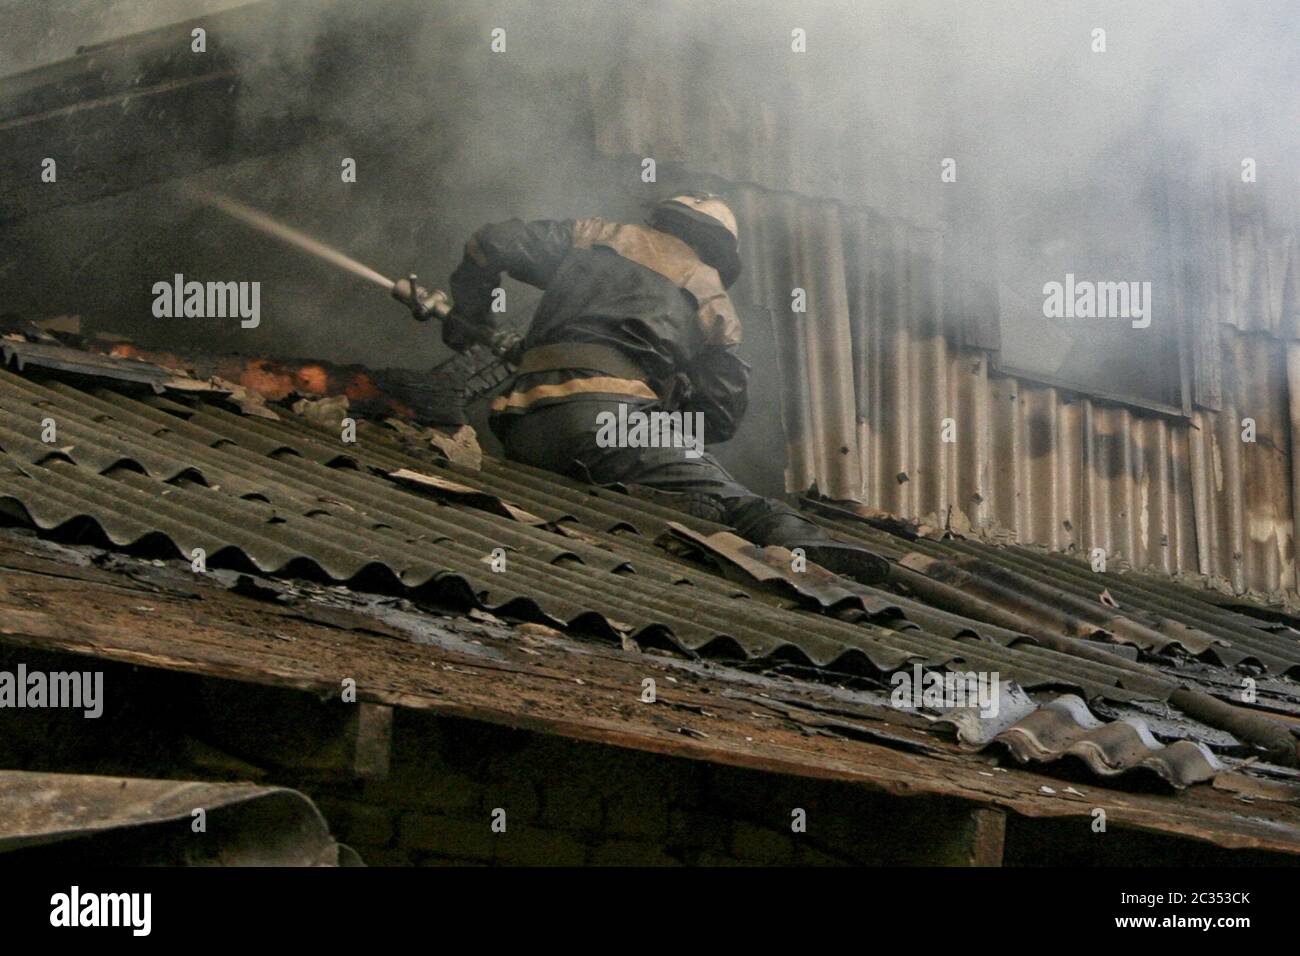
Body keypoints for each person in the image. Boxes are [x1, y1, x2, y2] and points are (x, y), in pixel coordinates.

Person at [433, 193, 884, 581]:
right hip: (609, 431)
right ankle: (822, 560)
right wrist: (669, 395)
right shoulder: (706, 289)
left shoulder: (594, 234)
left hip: (520, 425)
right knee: (738, 505)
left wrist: (470, 314)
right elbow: (720, 416)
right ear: (721, 251)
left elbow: (488, 243)